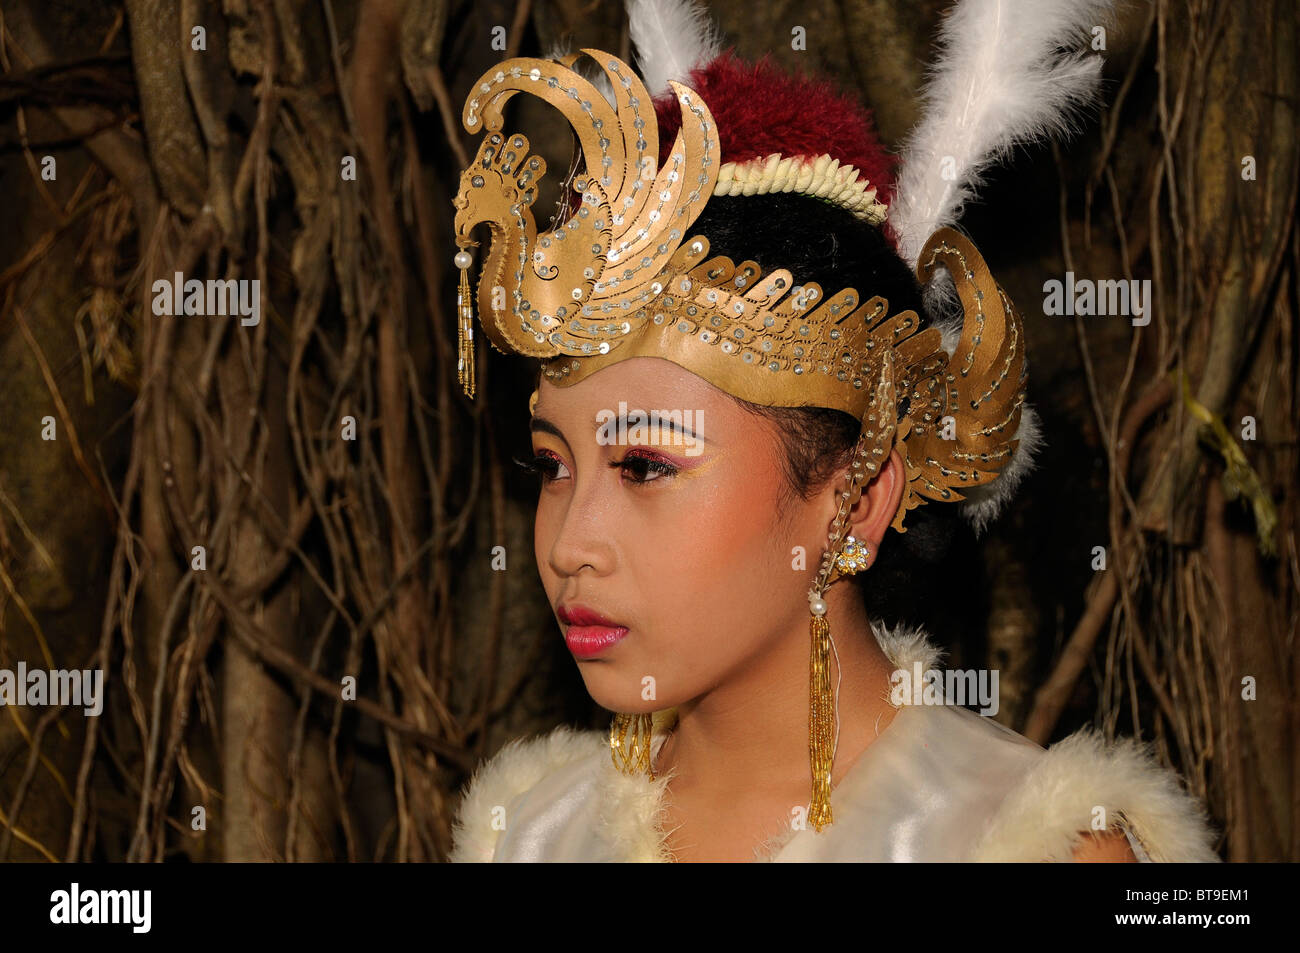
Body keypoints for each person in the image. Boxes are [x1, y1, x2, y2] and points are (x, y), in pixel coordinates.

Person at [444, 0, 1219, 862]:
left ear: (855, 500)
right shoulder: (532, 833)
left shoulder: (1026, 843)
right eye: (553, 466)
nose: (568, 545)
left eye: (646, 465)